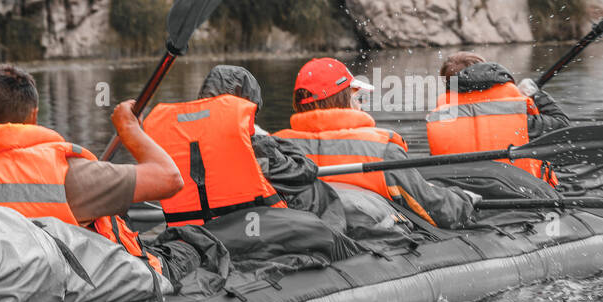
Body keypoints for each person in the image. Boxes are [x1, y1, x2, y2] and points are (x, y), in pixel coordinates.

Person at [0, 65, 182, 273]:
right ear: (34, 117)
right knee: (190, 241)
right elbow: (169, 178)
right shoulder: (68, 174)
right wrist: (130, 129)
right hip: (76, 299)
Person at [275, 57, 479, 229]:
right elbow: (433, 209)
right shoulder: (381, 148)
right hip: (376, 242)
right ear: (345, 99)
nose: (362, 105)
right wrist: (464, 200)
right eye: (358, 98)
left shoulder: (276, 148)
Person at [141, 65, 335, 222]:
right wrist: (271, 142)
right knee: (317, 191)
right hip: (249, 232)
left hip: (193, 232)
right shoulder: (256, 147)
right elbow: (304, 172)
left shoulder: (170, 149)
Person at [426, 51, 570, 185]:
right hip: (521, 192)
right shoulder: (518, 118)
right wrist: (535, 95)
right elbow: (562, 126)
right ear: (487, 73)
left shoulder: (440, 121)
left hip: (464, 195)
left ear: (449, 85)